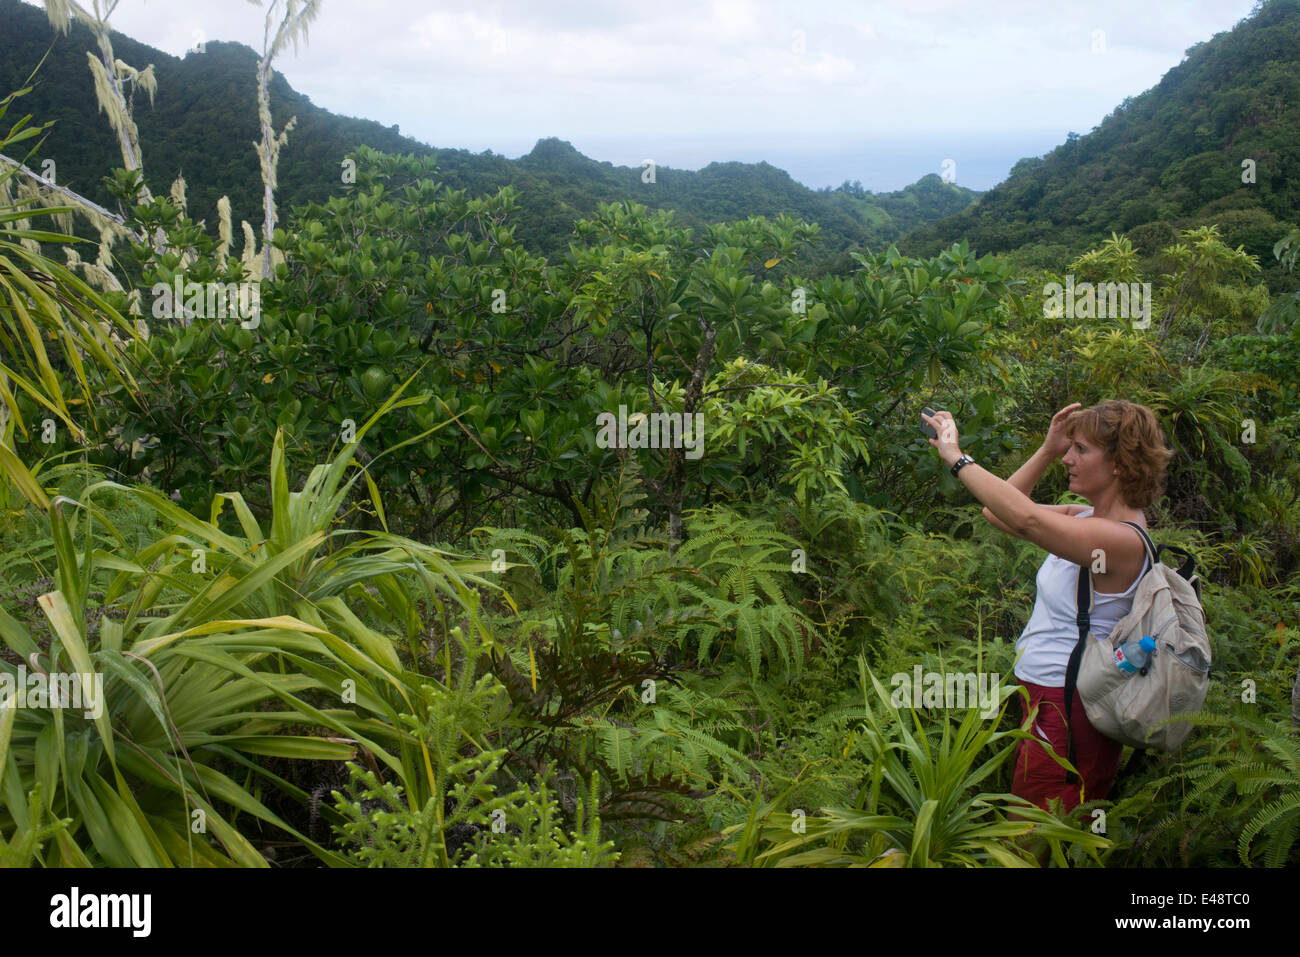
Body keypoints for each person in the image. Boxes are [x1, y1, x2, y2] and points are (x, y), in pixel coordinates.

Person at [922, 399, 1174, 812]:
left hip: (1070, 707)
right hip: (1044, 696)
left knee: (1034, 832)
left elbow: (1026, 519)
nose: (1068, 459)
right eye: (1069, 449)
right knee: (1030, 820)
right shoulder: (1084, 517)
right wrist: (1046, 450)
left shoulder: (1122, 542)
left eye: (1081, 450)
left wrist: (956, 457)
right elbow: (998, 513)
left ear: (1119, 463)